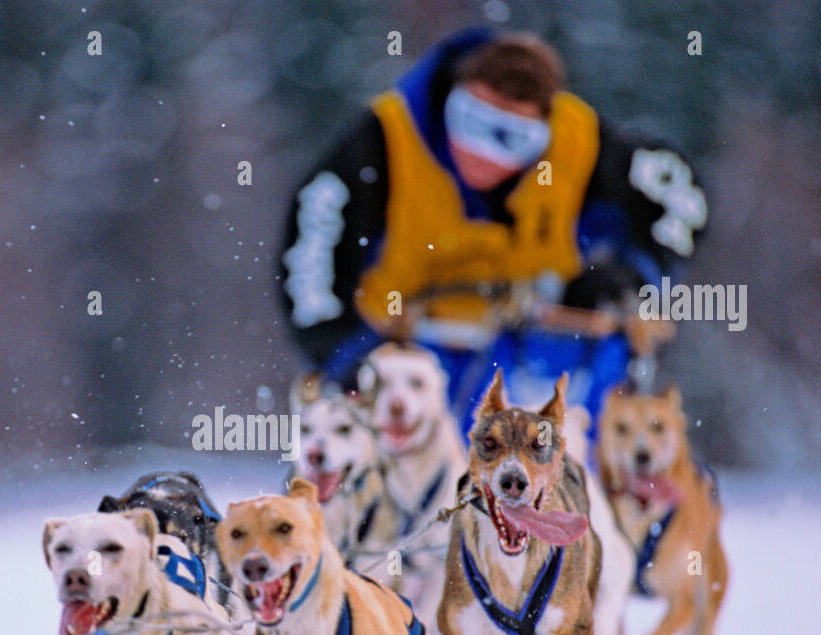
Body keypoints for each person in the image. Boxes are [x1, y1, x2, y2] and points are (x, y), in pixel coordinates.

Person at [280, 27, 707, 429]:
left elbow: (679, 203)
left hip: (536, 334)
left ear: (543, 130)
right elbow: (310, 249)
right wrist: (336, 350)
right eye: (472, 123)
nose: (481, 154)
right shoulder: (385, 140)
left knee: (607, 355)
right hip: (401, 344)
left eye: (511, 138)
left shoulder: (581, 144)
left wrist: (631, 277)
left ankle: (589, 486)